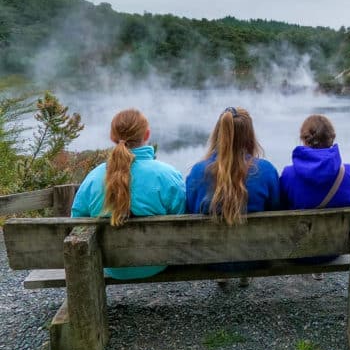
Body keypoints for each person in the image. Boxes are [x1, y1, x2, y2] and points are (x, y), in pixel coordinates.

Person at [71, 109, 186, 280]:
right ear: (147, 134)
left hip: (110, 264)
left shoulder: (94, 178)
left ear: (112, 138)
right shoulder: (167, 175)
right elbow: (182, 221)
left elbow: (77, 222)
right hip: (157, 262)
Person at [185, 106, 280, 286]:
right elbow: (276, 209)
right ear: (250, 135)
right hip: (255, 257)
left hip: (208, 258)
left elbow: (189, 211)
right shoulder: (266, 171)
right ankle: (244, 273)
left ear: (218, 133)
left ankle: (223, 274)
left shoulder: (198, 172)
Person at [279, 114, 350, 279]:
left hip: (297, 251)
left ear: (304, 140)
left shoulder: (288, 175)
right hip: (333, 250)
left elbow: (279, 209)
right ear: (331, 139)